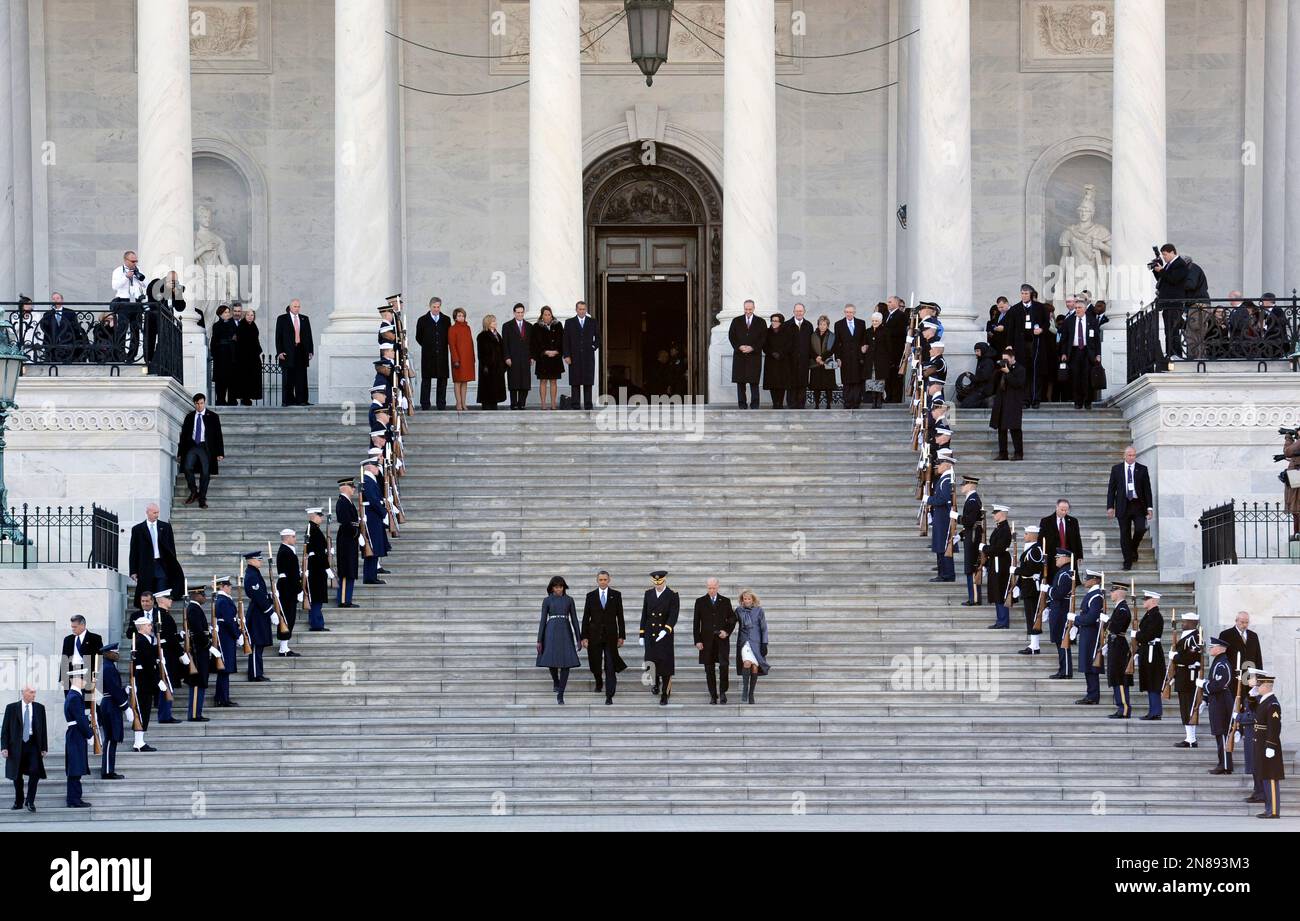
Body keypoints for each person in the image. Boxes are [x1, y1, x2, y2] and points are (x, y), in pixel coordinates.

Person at [579, 570, 625, 705]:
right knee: (595, 663)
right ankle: (599, 682)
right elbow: (586, 617)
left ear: (609, 580)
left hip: (611, 636)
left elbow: (620, 617)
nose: (603, 582)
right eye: (601, 580)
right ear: (597, 581)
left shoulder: (616, 595)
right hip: (594, 636)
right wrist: (584, 637)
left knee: (610, 664)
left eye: (605, 579)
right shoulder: (591, 596)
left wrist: (621, 635)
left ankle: (609, 694)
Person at [1106, 446, 1154, 570]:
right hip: (1123, 505)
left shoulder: (1142, 469)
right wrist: (1110, 506)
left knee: (1141, 528)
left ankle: (1133, 548)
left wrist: (1150, 508)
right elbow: (1111, 489)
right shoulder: (1116, 469)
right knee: (1124, 534)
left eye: (1133, 455)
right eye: (1129, 455)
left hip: (1138, 504)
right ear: (1124, 456)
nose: (1132, 457)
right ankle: (1127, 561)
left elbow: (1147, 490)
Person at [536, 576, 581, 705]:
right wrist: (539, 639)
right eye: (556, 587)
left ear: (564, 587)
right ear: (551, 588)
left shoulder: (569, 600)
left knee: (566, 662)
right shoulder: (547, 601)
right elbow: (543, 620)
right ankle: (556, 681)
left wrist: (579, 637)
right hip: (550, 631)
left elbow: (575, 620)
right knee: (551, 659)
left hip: (565, 631)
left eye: (560, 586)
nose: (558, 589)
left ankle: (561, 694)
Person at [127, 503, 183, 607]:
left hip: (161, 565)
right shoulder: (137, 529)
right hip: (145, 567)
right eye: (154, 513)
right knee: (147, 593)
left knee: (162, 593)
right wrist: (133, 571)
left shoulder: (165, 527)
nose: (157, 515)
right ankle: (148, 617)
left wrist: (173, 565)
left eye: (158, 512)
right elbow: (134, 551)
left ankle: (161, 617)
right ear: (147, 513)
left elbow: (171, 548)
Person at [2, 686, 47, 812]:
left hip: (33, 744)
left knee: (35, 772)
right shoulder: (11, 708)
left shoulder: (39, 708)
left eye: (34, 692)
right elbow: (5, 730)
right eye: (31, 692)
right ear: (24, 693)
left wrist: (44, 747)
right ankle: (19, 801)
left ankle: (30, 801)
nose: (34, 695)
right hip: (16, 745)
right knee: (17, 775)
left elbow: (43, 729)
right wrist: (4, 747)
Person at [693, 577, 736, 705]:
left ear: (718, 587)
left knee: (724, 667)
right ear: (707, 587)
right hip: (706, 642)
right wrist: (697, 640)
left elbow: (732, 619)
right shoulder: (700, 601)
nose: (711, 590)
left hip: (722, 641)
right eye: (709, 588)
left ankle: (723, 693)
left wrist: (726, 631)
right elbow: (696, 623)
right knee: (709, 669)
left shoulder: (725, 601)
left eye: (713, 588)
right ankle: (713, 695)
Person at [177, 393, 224, 509]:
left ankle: (202, 498)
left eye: (201, 403)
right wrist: (180, 453)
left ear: (205, 402)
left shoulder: (213, 416)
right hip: (192, 446)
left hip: (206, 447)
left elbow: (218, 435)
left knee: (205, 472)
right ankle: (194, 492)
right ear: (194, 404)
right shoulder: (189, 417)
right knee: (187, 467)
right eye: (197, 404)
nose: (199, 406)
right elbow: (183, 436)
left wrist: (220, 453)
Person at [640, 570, 679, 705]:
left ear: (664, 580)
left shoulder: (672, 595)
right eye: (656, 583)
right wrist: (641, 634)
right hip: (650, 633)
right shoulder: (648, 594)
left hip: (664, 634)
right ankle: (655, 683)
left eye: (660, 582)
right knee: (651, 661)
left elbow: (673, 614)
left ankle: (665, 693)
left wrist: (666, 630)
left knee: (665, 664)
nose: (658, 585)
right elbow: (644, 614)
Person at [1251, 671, 1284, 818]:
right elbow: (1254, 709)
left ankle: (1274, 811)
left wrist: (1270, 745)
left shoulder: (1273, 703)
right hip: (1261, 743)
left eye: (1259, 685)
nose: (1257, 687)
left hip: (1268, 744)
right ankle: (1268, 808)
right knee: (1264, 775)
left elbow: (1274, 727)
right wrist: (1251, 694)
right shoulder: (1264, 700)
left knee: (1271, 778)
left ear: (1267, 686)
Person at [1060, 298, 1102, 409]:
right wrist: (1063, 353)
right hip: (1074, 352)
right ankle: (1078, 402)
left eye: (1079, 308)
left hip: (1088, 353)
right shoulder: (1068, 321)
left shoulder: (1092, 320)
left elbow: (1097, 339)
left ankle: (1087, 401)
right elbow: (1064, 339)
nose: (1077, 310)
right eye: (1076, 308)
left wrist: (1098, 354)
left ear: (1084, 309)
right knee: (1075, 377)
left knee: (1087, 377)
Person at [96, 644, 129, 778]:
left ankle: (109, 770)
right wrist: (125, 706)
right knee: (110, 739)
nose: (118, 654)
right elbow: (113, 689)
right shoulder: (108, 668)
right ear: (108, 653)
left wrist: (124, 691)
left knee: (112, 739)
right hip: (111, 705)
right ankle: (108, 771)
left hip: (109, 704)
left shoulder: (107, 666)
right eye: (115, 652)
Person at [1171, 612, 1203, 749]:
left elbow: (1190, 657)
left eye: (1184, 621)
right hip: (1182, 675)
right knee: (1185, 708)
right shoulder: (1187, 635)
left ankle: (1191, 739)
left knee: (1188, 707)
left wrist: (1175, 657)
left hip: (1188, 677)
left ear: (1191, 622)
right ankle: (1189, 738)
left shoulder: (1195, 637)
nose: (1182, 623)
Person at [63, 671, 94, 808]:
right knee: (75, 767)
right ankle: (74, 800)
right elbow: (80, 719)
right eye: (83, 679)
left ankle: (75, 798)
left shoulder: (74, 695)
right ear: (76, 680)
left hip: (75, 733)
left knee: (76, 767)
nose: (85, 682)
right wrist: (89, 734)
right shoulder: (75, 697)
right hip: (76, 734)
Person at [242, 551, 274, 682]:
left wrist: (269, 596)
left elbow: (261, 594)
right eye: (258, 559)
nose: (261, 561)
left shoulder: (254, 573)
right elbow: (257, 596)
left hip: (259, 613)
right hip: (257, 614)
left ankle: (257, 672)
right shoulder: (252, 575)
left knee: (259, 646)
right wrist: (270, 611)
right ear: (251, 560)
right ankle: (255, 674)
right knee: (256, 645)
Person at [274, 300, 314, 406]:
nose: (297, 308)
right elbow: (278, 337)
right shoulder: (282, 319)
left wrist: (310, 351)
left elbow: (309, 336)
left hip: (301, 351)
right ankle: (287, 400)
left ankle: (302, 400)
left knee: (301, 377)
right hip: (287, 352)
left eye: (298, 306)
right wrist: (279, 352)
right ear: (290, 307)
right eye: (295, 306)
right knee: (288, 377)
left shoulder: (304, 318)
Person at [734, 590, 770, 705]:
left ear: (753, 600)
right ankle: (745, 689)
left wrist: (764, 643)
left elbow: (764, 628)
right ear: (742, 600)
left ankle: (751, 694)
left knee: (755, 667)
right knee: (747, 663)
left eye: (749, 599)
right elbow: (731, 621)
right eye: (745, 599)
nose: (747, 601)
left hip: (756, 642)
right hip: (744, 642)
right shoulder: (738, 610)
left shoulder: (759, 611)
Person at [183, 585, 213, 722]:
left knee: (200, 682)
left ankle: (197, 713)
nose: (204, 597)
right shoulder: (194, 609)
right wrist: (208, 644)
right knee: (197, 683)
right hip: (198, 651)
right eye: (202, 594)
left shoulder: (195, 609)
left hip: (200, 650)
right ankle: (194, 714)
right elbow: (198, 632)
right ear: (195, 595)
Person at [728, 300, 767, 409]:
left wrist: (752, 348)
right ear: (743, 308)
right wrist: (739, 346)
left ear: (754, 308)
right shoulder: (736, 321)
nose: (748, 311)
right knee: (740, 383)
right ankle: (742, 405)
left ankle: (755, 405)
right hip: (740, 356)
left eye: (750, 309)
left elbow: (763, 338)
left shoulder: (761, 321)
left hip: (754, 357)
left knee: (754, 382)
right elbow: (732, 336)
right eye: (746, 309)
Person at [1204, 635, 1234, 774]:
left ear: (1220, 649)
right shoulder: (1218, 662)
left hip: (1222, 701)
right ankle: (1223, 763)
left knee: (1222, 733)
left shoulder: (1222, 664)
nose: (1210, 649)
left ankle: (1225, 765)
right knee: (1219, 733)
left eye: (1212, 647)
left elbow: (1220, 684)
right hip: (1217, 700)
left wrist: (1205, 685)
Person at [989, 347, 1025, 461]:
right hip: (1001, 402)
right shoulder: (1001, 369)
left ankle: (1019, 453)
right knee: (1001, 429)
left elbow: (1018, 384)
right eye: (1003, 359)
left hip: (1013, 402)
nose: (1004, 361)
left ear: (1012, 358)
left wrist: (1008, 372)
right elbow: (993, 383)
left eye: (1006, 359)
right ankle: (1002, 453)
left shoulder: (1020, 369)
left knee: (1015, 429)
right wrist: (998, 370)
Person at [415, 297, 451, 411]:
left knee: (442, 380)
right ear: (430, 306)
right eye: (434, 307)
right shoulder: (422, 320)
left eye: (438, 307)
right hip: (428, 355)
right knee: (426, 380)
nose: (436, 309)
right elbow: (418, 337)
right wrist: (428, 346)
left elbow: (448, 336)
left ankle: (441, 404)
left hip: (442, 355)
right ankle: (425, 404)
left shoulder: (446, 319)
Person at [562, 300, 599, 410]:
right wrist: (566, 355)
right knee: (575, 381)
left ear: (586, 310)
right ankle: (575, 404)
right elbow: (565, 340)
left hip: (588, 356)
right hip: (574, 356)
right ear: (576, 310)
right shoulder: (569, 322)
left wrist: (593, 347)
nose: (582, 311)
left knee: (588, 381)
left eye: (584, 309)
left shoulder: (592, 322)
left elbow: (598, 338)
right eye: (580, 309)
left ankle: (588, 404)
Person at [1074, 569, 1104, 704]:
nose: (1086, 580)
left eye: (1088, 578)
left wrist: (1076, 619)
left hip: (1092, 634)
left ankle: (1093, 695)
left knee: (1091, 665)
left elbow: (1091, 618)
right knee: (1088, 664)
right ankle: (1091, 694)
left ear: (1096, 580)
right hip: (1087, 633)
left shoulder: (1096, 596)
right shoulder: (1092, 594)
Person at [1014, 525, 1045, 656]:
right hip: (1028, 586)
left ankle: (1035, 646)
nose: (1024, 536)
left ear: (1033, 535)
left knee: (1033, 616)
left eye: (1026, 534)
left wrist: (1015, 570)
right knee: (1030, 616)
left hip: (1032, 588)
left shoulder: (1035, 551)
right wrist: (1018, 585)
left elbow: (1029, 570)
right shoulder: (1031, 549)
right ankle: (1034, 645)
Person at [110, 250, 147, 360]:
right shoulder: (118, 271)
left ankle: (132, 355)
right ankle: (120, 354)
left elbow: (146, 284)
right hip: (124, 302)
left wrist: (138, 277)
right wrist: (126, 277)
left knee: (135, 330)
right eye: (132, 261)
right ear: (126, 260)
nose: (135, 263)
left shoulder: (138, 270)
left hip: (136, 303)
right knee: (122, 329)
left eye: (136, 261)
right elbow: (114, 286)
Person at [129, 615, 158, 751]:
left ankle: (139, 741)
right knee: (142, 711)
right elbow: (147, 664)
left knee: (144, 710)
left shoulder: (146, 639)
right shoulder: (141, 641)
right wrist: (158, 680)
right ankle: (138, 743)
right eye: (148, 625)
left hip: (146, 680)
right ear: (141, 627)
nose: (150, 627)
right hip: (143, 681)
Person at [1018, 285, 1051, 408]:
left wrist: (1041, 329)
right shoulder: (1016, 308)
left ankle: (1036, 399)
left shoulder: (1040, 307)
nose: (1024, 295)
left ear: (1031, 294)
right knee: (1024, 373)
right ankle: (1025, 400)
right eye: (1022, 293)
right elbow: (1012, 328)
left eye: (1026, 293)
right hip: (1022, 346)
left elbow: (1047, 323)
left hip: (1036, 344)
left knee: (1036, 373)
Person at [1105, 582, 1134, 719]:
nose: (1111, 594)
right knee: (1115, 676)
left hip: (1119, 646)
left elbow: (1116, 628)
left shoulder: (1122, 609)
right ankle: (1120, 706)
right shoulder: (1119, 608)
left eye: (1113, 591)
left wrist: (1106, 621)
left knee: (1120, 678)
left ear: (1119, 592)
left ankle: (1124, 708)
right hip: (1115, 644)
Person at [1135, 590, 1165, 720]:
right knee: (1149, 680)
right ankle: (1153, 710)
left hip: (1153, 651)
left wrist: (1136, 635)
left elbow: (1148, 635)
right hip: (1147, 650)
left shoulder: (1155, 616)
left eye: (1146, 599)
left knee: (1153, 681)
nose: (1144, 601)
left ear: (1153, 601)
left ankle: (1155, 711)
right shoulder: (1150, 614)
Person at [1045, 548, 1075, 680]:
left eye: (1058, 557)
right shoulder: (1063, 572)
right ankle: (1063, 669)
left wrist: (1048, 590)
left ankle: (1066, 671)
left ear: (1066, 558)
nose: (1056, 559)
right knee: (1059, 641)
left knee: (1063, 642)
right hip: (1058, 610)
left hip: (1062, 611)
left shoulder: (1065, 574)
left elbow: (1058, 594)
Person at [927, 452, 956, 583]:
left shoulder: (946, 480)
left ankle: (947, 574)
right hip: (941, 517)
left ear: (946, 465)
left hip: (944, 518)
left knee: (943, 546)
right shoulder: (945, 479)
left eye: (939, 464)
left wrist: (929, 499)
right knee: (941, 546)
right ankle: (943, 573)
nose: (937, 466)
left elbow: (943, 499)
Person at [833, 304, 869, 409]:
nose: (849, 314)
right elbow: (837, 343)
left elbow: (864, 339)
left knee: (857, 381)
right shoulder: (838, 324)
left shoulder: (861, 323)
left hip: (858, 358)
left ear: (854, 312)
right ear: (844, 312)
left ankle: (856, 402)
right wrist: (838, 358)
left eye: (851, 312)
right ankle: (847, 402)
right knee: (847, 381)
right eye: (847, 312)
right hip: (845, 358)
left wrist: (864, 347)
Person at [212, 577, 240, 708]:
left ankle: (220, 697)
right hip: (226, 637)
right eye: (228, 586)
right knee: (225, 669)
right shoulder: (223, 601)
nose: (230, 588)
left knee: (224, 669)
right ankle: (223, 698)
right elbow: (229, 621)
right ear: (222, 586)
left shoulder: (222, 600)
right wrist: (237, 635)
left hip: (225, 636)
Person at [1039, 498, 1084, 581]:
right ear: (1056, 507)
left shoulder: (1073, 521)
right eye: (1062, 510)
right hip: (1052, 556)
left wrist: (1080, 555)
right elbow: (1041, 540)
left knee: (1069, 580)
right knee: (1053, 579)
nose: (1064, 512)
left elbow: (1077, 538)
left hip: (1068, 556)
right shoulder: (1046, 521)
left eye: (1066, 510)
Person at [984, 505, 1013, 629]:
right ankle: (1000, 620)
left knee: (1000, 591)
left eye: (995, 512)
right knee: (997, 591)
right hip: (996, 562)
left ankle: (1003, 621)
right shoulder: (1000, 528)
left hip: (1001, 563)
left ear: (1002, 513)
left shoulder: (1004, 529)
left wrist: (985, 548)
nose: (993, 515)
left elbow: (998, 549)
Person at [361, 459, 391, 583]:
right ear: (369, 467)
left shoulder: (370, 479)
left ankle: (371, 575)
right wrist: (384, 512)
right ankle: (370, 577)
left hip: (374, 515)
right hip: (372, 516)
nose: (378, 469)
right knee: (372, 546)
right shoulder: (367, 480)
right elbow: (373, 500)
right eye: (376, 467)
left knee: (374, 546)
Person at [275, 529, 302, 658]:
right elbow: (291, 575)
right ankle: (283, 648)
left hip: (287, 588)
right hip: (288, 590)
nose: (295, 539)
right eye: (293, 536)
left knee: (288, 618)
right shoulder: (286, 552)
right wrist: (299, 590)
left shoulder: (286, 550)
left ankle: (284, 646)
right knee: (287, 618)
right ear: (286, 538)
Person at [958, 476, 985, 608]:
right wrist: (961, 534)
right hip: (971, 535)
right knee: (971, 567)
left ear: (970, 485)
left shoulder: (972, 500)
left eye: (964, 484)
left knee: (972, 568)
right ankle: (973, 596)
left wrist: (957, 517)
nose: (961, 486)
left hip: (973, 538)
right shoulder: (972, 499)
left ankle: (974, 598)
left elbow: (969, 521)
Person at [531, 306, 565, 411]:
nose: (547, 316)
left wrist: (556, 351)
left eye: (549, 314)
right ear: (541, 316)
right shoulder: (536, 326)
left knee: (554, 381)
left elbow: (562, 339)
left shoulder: (558, 325)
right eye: (545, 314)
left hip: (555, 358)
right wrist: (545, 352)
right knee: (543, 381)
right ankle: (543, 404)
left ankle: (553, 404)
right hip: (543, 358)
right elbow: (534, 342)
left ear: (551, 315)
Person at [502, 303, 533, 410]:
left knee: (524, 382)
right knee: (514, 382)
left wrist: (532, 357)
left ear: (524, 312)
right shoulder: (507, 326)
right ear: (514, 313)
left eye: (521, 312)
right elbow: (505, 343)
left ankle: (522, 403)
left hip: (525, 358)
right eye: (518, 312)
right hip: (513, 358)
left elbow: (532, 343)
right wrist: (506, 357)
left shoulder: (529, 326)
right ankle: (514, 403)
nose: (520, 314)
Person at [335, 479, 360, 608]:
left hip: (350, 539)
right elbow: (346, 522)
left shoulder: (347, 502)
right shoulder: (343, 502)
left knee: (350, 568)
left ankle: (347, 598)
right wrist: (355, 531)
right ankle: (344, 599)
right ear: (345, 487)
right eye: (351, 486)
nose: (354, 489)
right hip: (346, 539)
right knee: (346, 570)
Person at [61, 614, 104, 690]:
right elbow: (64, 659)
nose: (73, 629)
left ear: (82, 625)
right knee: (72, 700)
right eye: (72, 627)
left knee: (87, 699)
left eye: (75, 627)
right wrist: (62, 677)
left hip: (87, 675)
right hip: (71, 674)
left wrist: (96, 676)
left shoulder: (95, 638)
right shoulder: (68, 639)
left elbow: (99, 659)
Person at [38, 294, 84, 363]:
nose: (55, 300)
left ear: (62, 300)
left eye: (57, 298)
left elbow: (75, 329)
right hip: (53, 347)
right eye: (53, 299)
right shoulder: (47, 314)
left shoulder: (70, 313)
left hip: (68, 346)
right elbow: (45, 329)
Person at [762, 312, 794, 408]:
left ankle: (780, 403)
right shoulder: (767, 332)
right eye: (772, 321)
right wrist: (772, 353)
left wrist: (780, 354)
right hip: (771, 360)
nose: (774, 322)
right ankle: (775, 403)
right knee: (772, 383)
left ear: (781, 322)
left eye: (776, 321)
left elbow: (789, 345)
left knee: (782, 383)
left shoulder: (787, 331)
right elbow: (764, 345)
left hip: (783, 360)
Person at [881, 296, 909, 403]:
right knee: (888, 376)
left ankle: (895, 398)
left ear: (896, 303)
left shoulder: (901, 315)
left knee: (896, 377)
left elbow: (901, 332)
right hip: (887, 352)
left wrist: (885, 333)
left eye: (890, 302)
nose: (888, 304)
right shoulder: (886, 315)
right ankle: (888, 396)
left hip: (896, 351)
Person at [233, 306, 264, 405]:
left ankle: (249, 397)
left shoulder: (254, 326)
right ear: (244, 315)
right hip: (244, 358)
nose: (250, 317)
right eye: (248, 315)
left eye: (252, 315)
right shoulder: (241, 326)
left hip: (253, 357)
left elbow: (256, 340)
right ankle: (244, 397)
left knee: (252, 378)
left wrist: (258, 350)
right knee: (244, 377)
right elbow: (241, 342)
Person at [476, 314, 507, 411]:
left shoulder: (498, 335)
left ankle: (494, 404)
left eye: (495, 321)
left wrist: (502, 364)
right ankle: (486, 405)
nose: (495, 323)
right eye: (493, 321)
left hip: (497, 367)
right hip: (488, 367)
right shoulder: (482, 336)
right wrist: (486, 364)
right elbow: (481, 353)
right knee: (487, 388)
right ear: (488, 323)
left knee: (495, 388)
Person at [447, 308, 475, 412]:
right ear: (455, 317)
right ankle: (458, 402)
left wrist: (473, 358)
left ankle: (464, 402)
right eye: (459, 316)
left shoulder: (468, 328)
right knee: (458, 381)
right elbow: (452, 345)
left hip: (467, 358)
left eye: (462, 316)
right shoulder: (452, 329)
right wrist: (455, 359)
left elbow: (470, 343)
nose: (461, 317)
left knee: (465, 381)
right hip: (458, 359)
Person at [787, 303, 814, 409]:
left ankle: (801, 404)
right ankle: (791, 404)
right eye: (797, 311)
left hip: (804, 361)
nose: (799, 313)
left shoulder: (808, 325)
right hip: (790, 361)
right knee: (791, 383)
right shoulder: (787, 325)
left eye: (801, 311)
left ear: (804, 312)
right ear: (793, 312)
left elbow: (811, 344)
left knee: (803, 383)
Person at [861, 310, 890, 409]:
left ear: (881, 321)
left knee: (880, 381)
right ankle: (873, 400)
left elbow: (889, 347)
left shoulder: (885, 331)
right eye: (873, 321)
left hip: (881, 361)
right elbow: (865, 343)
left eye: (876, 321)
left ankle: (879, 400)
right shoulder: (868, 331)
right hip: (870, 361)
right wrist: (863, 348)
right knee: (872, 380)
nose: (874, 323)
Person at [210, 305, 237, 405]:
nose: (227, 314)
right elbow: (214, 340)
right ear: (220, 314)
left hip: (231, 355)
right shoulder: (216, 325)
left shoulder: (233, 324)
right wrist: (214, 353)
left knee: (232, 378)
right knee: (221, 379)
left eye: (228, 312)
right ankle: (220, 399)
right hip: (221, 356)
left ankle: (232, 400)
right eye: (225, 312)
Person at [808, 315, 837, 409]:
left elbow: (832, 349)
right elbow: (809, 348)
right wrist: (816, 357)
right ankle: (816, 404)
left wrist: (822, 358)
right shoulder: (812, 335)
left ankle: (829, 404)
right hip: (815, 363)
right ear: (818, 325)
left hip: (827, 363)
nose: (822, 326)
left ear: (827, 325)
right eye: (820, 324)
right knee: (816, 386)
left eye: (824, 324)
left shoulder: (832, 336)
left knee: (828, 386)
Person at [958, 342, 994, 409]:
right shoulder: (982, 360)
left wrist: (971, 376)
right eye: (975, 351)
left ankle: (986, 403)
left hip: (983, 390)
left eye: (977, 351)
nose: (976, 353)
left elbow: (984, 377)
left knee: (965, 405)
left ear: (983, 350)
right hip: (979, 388)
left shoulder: (988, 362)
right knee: (960, 397)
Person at [1283, 430, 1300, 538]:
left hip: (1297, 476)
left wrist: (1289, 437)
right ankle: (1297, 532)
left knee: (1297, 505)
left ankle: (1297, 532)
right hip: (1295, 476)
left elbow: (1288, 451)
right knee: (1295, 507)